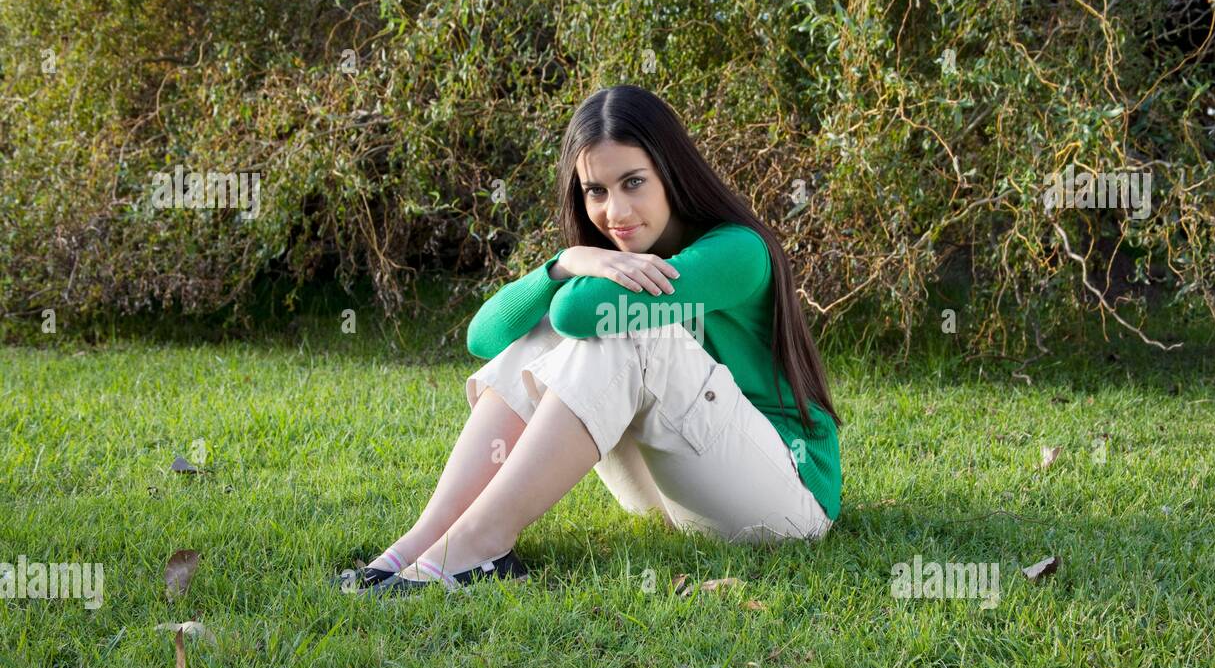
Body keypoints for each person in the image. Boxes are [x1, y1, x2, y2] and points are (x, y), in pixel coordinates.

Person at [338, 84, 842, 596]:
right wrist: (564, 263)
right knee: (549, 327)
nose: (615, 213)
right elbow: (484, 335)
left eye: (633, 183)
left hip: (785, 501)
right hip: (681, 493)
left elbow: (577, 312)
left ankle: (474, 548)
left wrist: (577, 271)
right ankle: (424, 541)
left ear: (672, 174)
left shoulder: (737, 250)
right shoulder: (610, 262)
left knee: (623, 330)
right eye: (596, 191)